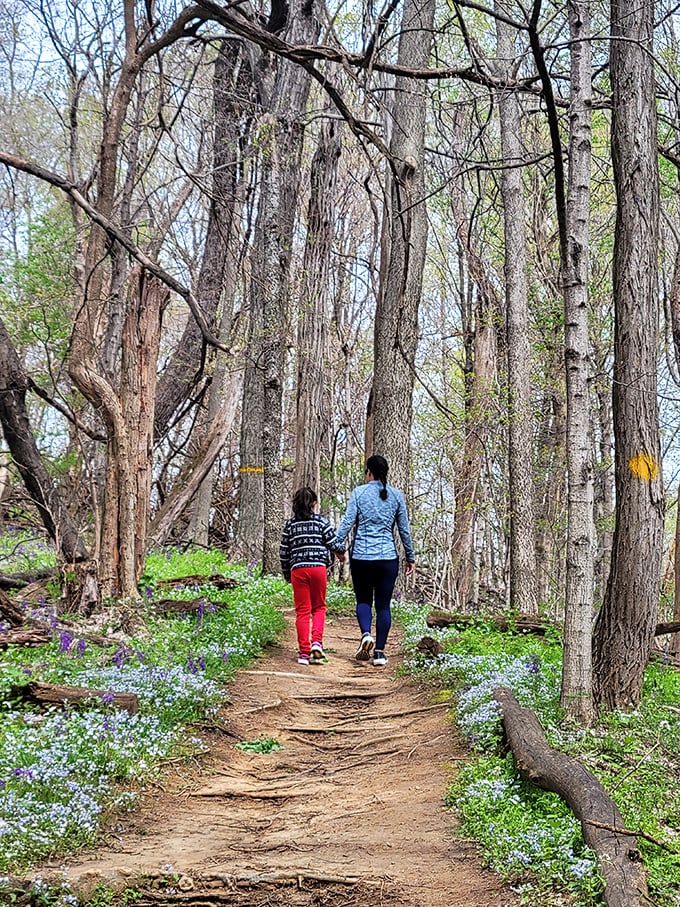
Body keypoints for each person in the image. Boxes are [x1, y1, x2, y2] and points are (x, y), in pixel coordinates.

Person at [334, 455, 416, 667]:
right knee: (383, 606)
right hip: (387, 559)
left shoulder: (359, 493)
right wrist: (410, 557)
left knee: (363, 600)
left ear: (369, 472)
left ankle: (366, 635)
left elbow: (346, 523)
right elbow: (404, 530)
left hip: (361, 557)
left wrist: (336, 546)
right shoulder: (397, 496)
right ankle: (379, 652)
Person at [279, 486, 345, 666]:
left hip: (298, 570)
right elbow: (334, 542)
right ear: (314, 503)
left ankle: (303, 653)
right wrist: (342, 553)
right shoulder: (321, 522)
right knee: (319, 607)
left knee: (302, 612)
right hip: (318, 569)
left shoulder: (290, 526)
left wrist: (287, 574)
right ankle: (317, 643)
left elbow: (284, 552)